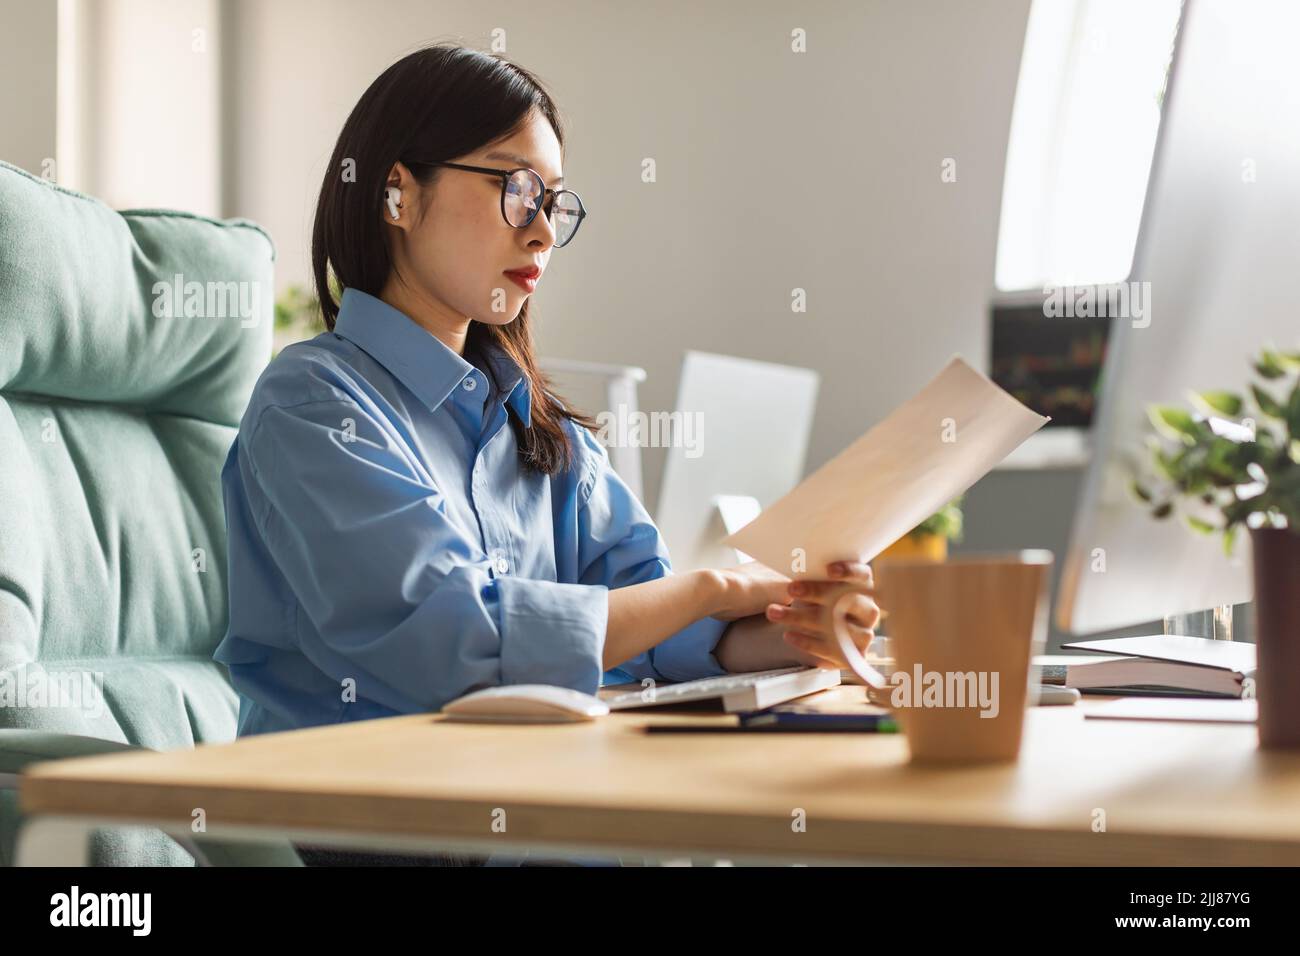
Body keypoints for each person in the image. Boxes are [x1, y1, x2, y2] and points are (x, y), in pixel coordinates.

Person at [213, 43, 880, 865]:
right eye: (515, 188)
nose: (542, 230)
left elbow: (649, 620)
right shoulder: (313, 405)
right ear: (396, 191)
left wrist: (794, 626)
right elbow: (453, 642)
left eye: (555, 203)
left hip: (552, 807)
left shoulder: (536, 423)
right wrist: (711, 586)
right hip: (395, 836)